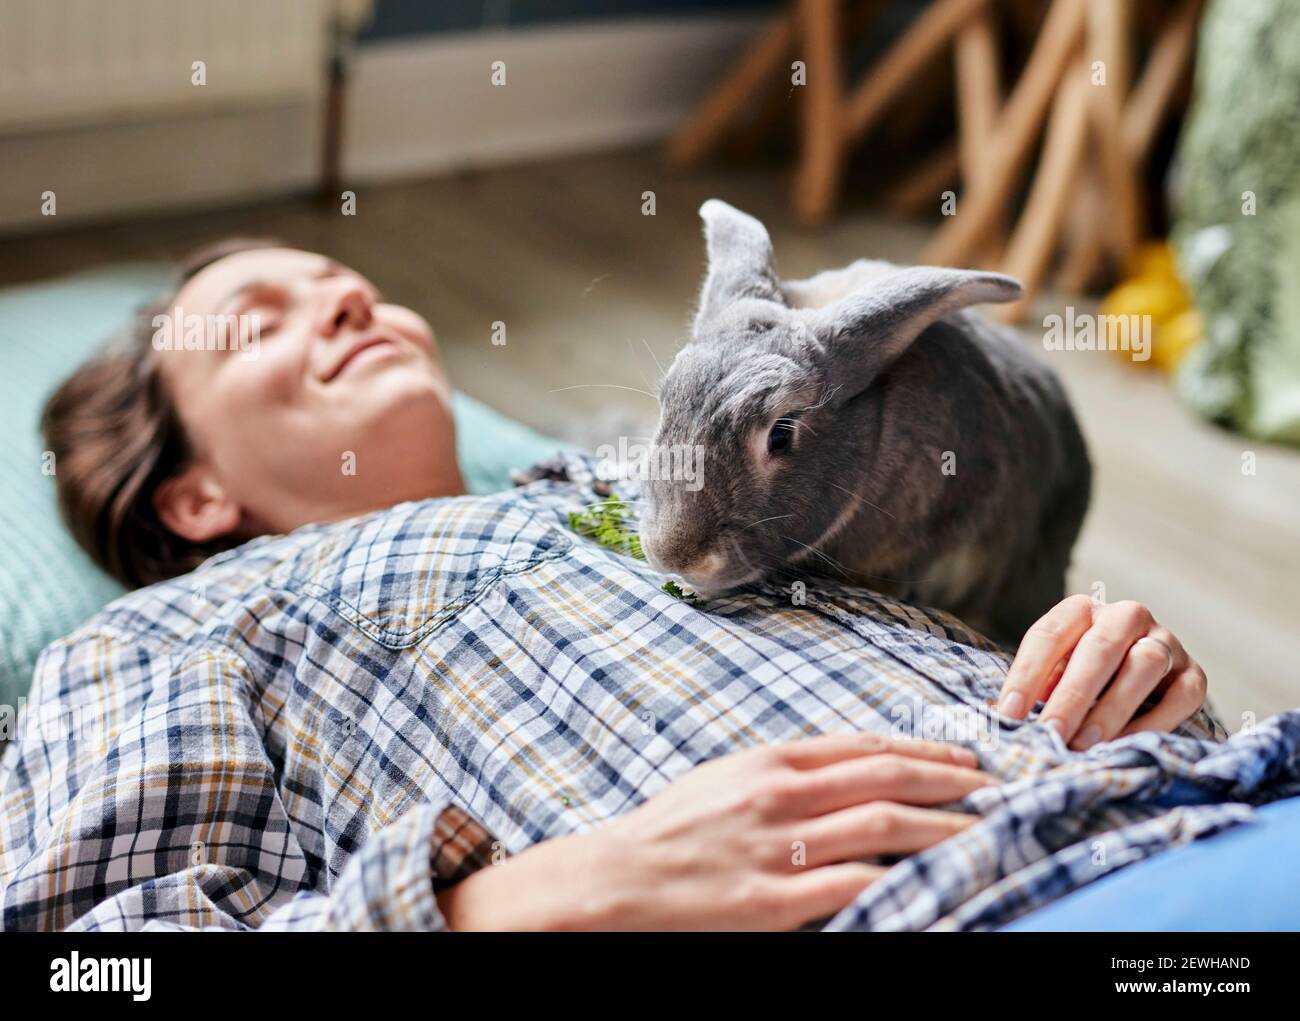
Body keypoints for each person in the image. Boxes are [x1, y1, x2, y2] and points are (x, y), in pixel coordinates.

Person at [3, 242, 1231, 931]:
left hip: (1196, 810)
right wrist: (517, 906)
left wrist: (1109, 664)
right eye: (261, 318)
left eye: (347, 282)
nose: (344, 295)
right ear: (192, 498)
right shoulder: (163, 642)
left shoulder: (657, 487)